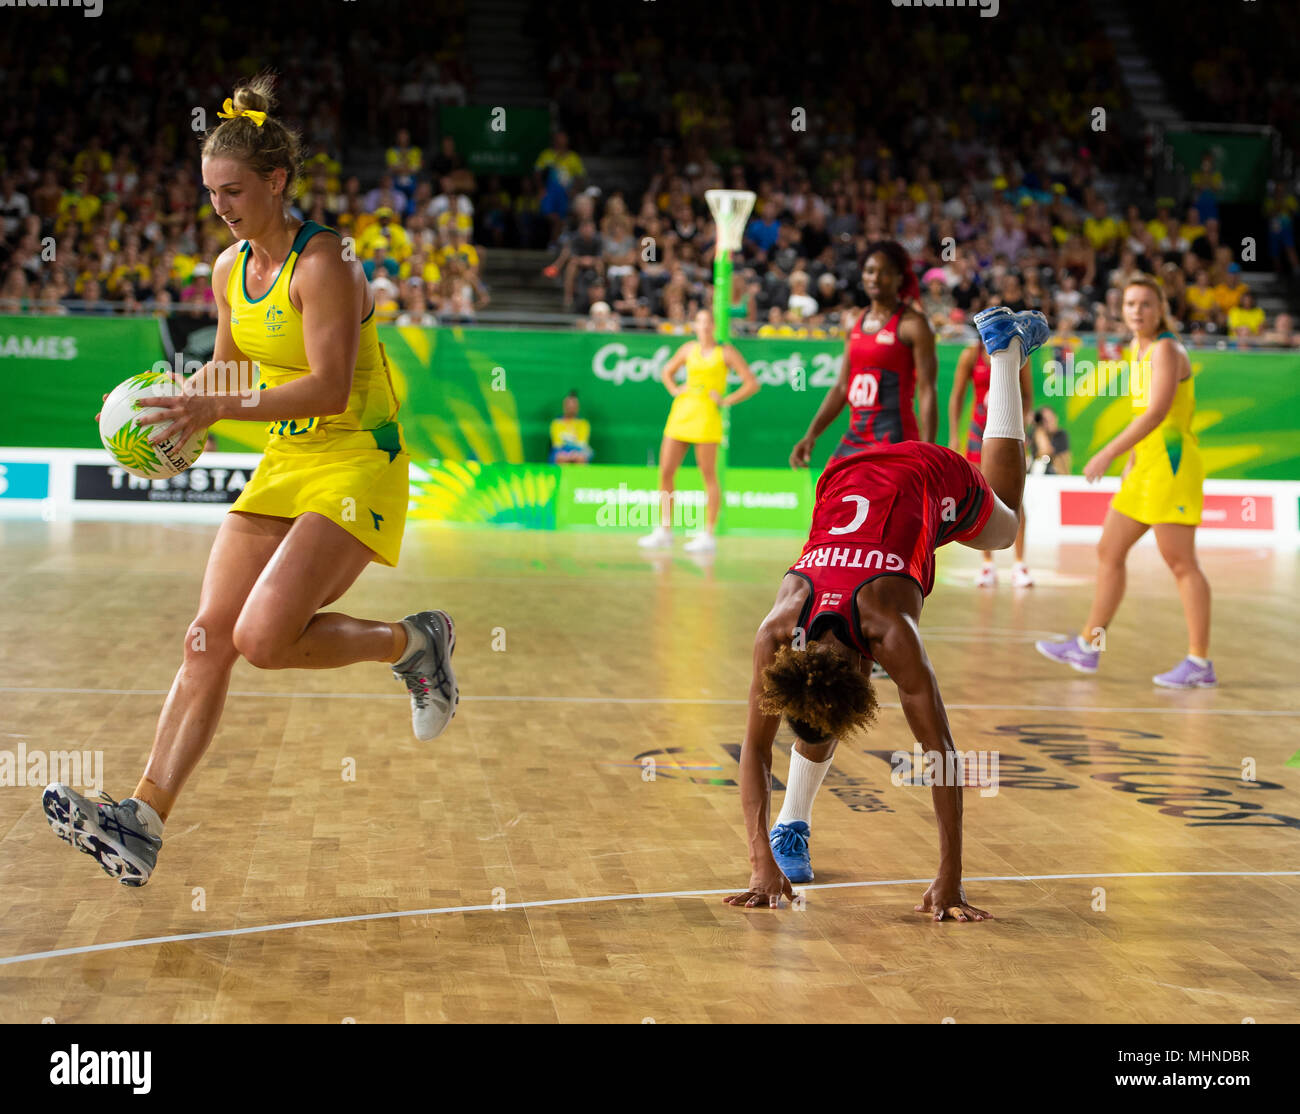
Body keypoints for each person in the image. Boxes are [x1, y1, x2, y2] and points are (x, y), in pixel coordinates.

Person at [41, 79, 459, 888]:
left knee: (262, 639)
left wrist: (215, 404)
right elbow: (227, 370)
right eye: (211, 194)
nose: (222, 207)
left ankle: (416, 642)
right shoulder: (229, 266)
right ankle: (141, 821)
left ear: (276, 182)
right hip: (287, 461)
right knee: (207, 636)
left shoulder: (326, 261)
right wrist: (163, 405)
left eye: (234, 191)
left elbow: (330, 388)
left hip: (355, 457)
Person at [724, 308, 1050, 909]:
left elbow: (943, 755)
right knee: (815, 710)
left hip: (927, 476)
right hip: (843, 477)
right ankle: (788, 828)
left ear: (867, 666)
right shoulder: (780, 629)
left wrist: (951, 878)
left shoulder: (887, 631)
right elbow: (756, 746)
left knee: (1003, 524)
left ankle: (1003, 356)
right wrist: (757, 865)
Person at [1036, 274, 1214, 688]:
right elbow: (1142, 416)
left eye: (1145, 304)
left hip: (1172, 466)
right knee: (1109, 550)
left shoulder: (1168, 349)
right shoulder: (1137, 348)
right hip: (1145, 468)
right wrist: (1132, 459)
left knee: (1181, 563)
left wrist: (1108, 453)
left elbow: (1157, 414)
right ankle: (1088, 645)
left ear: (1161, 308)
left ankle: (1200, 663)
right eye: (1130, 303)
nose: (1136, 311)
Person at [789, 241, 938, 468]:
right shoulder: (853, 321)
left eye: (884, 272)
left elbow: (927, 389)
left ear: (899, 277)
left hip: (893, 437)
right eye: (869, 271)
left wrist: (928, 449)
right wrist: (811, 435)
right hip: (856, 436)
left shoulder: (914, 324)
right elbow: (841, 388)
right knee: (830, 496)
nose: (875, 278)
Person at [638, 307, 760, 553]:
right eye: (700, 322)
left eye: (708, 322)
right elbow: (666, 371)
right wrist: (674, 389)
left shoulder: (725, 352)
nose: (703, 327)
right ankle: (664, 529)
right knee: (665, 471)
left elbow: (751, 383)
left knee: (708, 476)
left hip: (707, 417)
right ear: (695, 325)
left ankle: (708, 534)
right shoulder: (687, 349)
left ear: (714, 326)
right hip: (681, 414)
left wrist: (726, 399)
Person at [948, 334, 1034, 587]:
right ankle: (987, 565)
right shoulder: (970, 354)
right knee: (981, 498)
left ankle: (1019, 565)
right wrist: (954, 435)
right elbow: (957, 396)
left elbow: (1027, 396)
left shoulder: (1019, 354)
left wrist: (1023, 423)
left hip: (1008, 434)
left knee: (1017, 499)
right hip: (979, 433)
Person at [550, 391, 593, 463]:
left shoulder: (583, 423)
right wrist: (568, 455)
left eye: (573, 406)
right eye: (569, 406)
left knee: (580, 457)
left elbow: (582, 443)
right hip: (561, 451)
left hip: (578, 451)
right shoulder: (556, 423)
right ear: (564, 407)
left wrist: (573, 454)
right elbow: (557, 444)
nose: (571, 408)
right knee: (560, 457)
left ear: (577, 407)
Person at [1029, 407, 1071, 474]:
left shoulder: (1061, 435)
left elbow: (1046, 452)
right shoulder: (1035, 434)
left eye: (1050, 418)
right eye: (1044, 420)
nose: (1048, 422)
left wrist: (1039, 430)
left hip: (1057, 477)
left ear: (1055, 418)